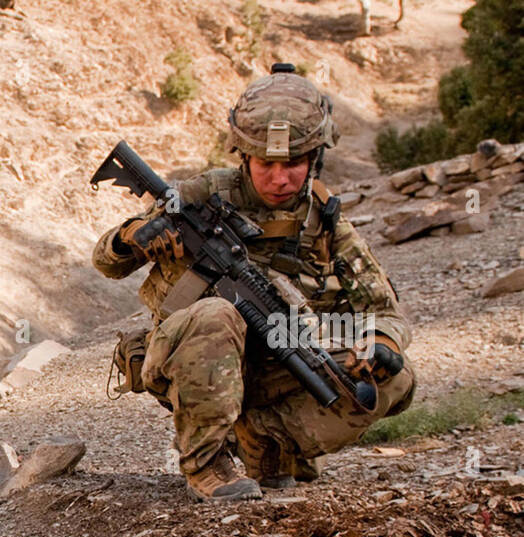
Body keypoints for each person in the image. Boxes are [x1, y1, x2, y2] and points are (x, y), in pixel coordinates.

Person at [93, 66, 416, 500]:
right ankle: (206, 465)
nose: (280, 179)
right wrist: (131, 237)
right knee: (215, 313)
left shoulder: (322, 219)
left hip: (277, 355)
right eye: (266, 164)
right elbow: (106, 262)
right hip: (191, 356)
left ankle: (265, 444)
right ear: (243, 155)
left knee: (394, 381)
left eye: (294, 164)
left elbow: (383, 308)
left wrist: (382, 343)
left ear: (314, 158)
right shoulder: (202, 196)